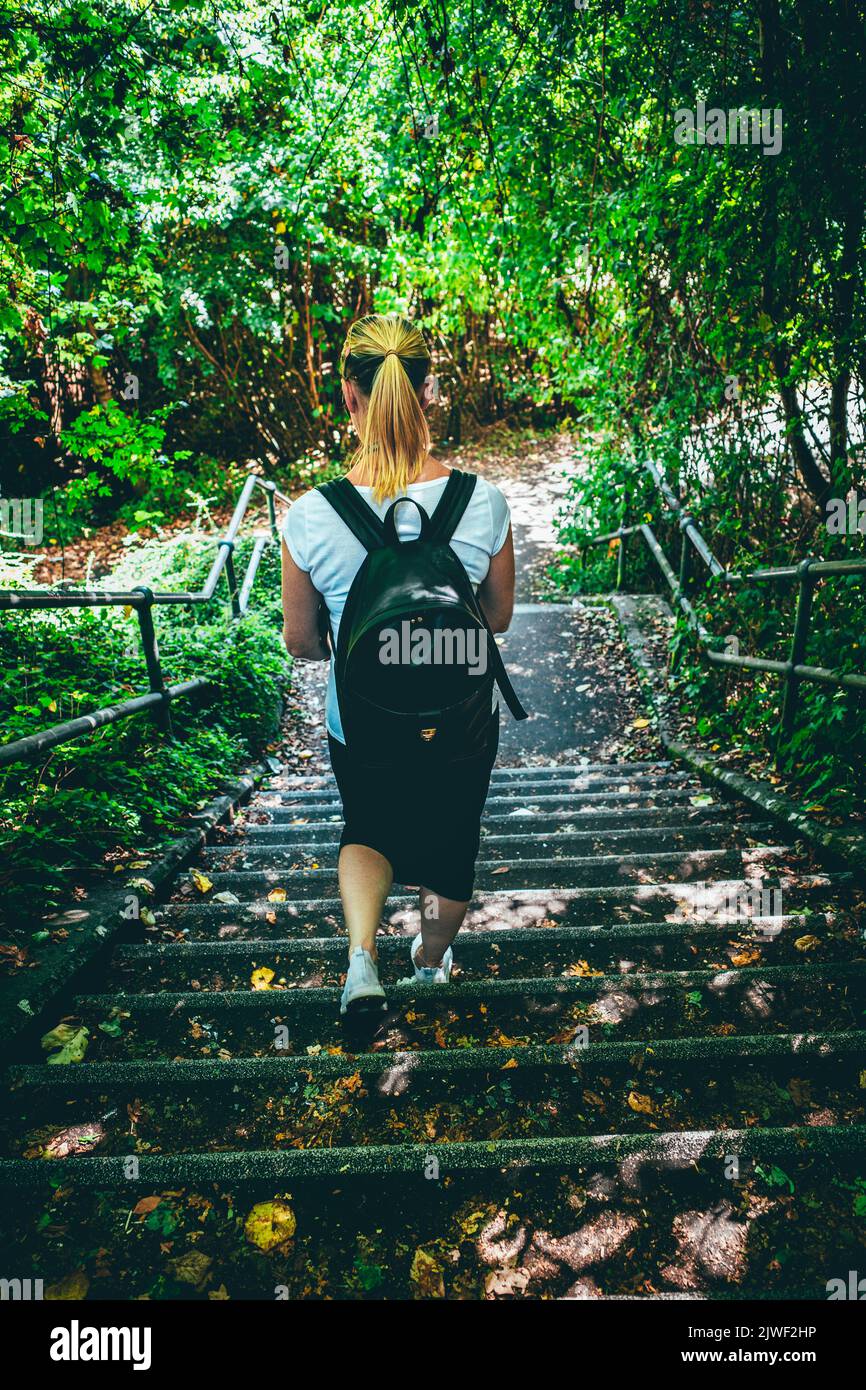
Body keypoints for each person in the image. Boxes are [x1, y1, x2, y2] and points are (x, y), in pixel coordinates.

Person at [280, 312, 515, 1018]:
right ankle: (430, 962)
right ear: (429, 392)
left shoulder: (311, 517)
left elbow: (299, 641)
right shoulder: (483, 502)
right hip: (462, 717)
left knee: (368, 826)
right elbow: (496, 620)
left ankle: (360, 961)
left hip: (364, 719)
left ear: (348, 398)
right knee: (451, 839)